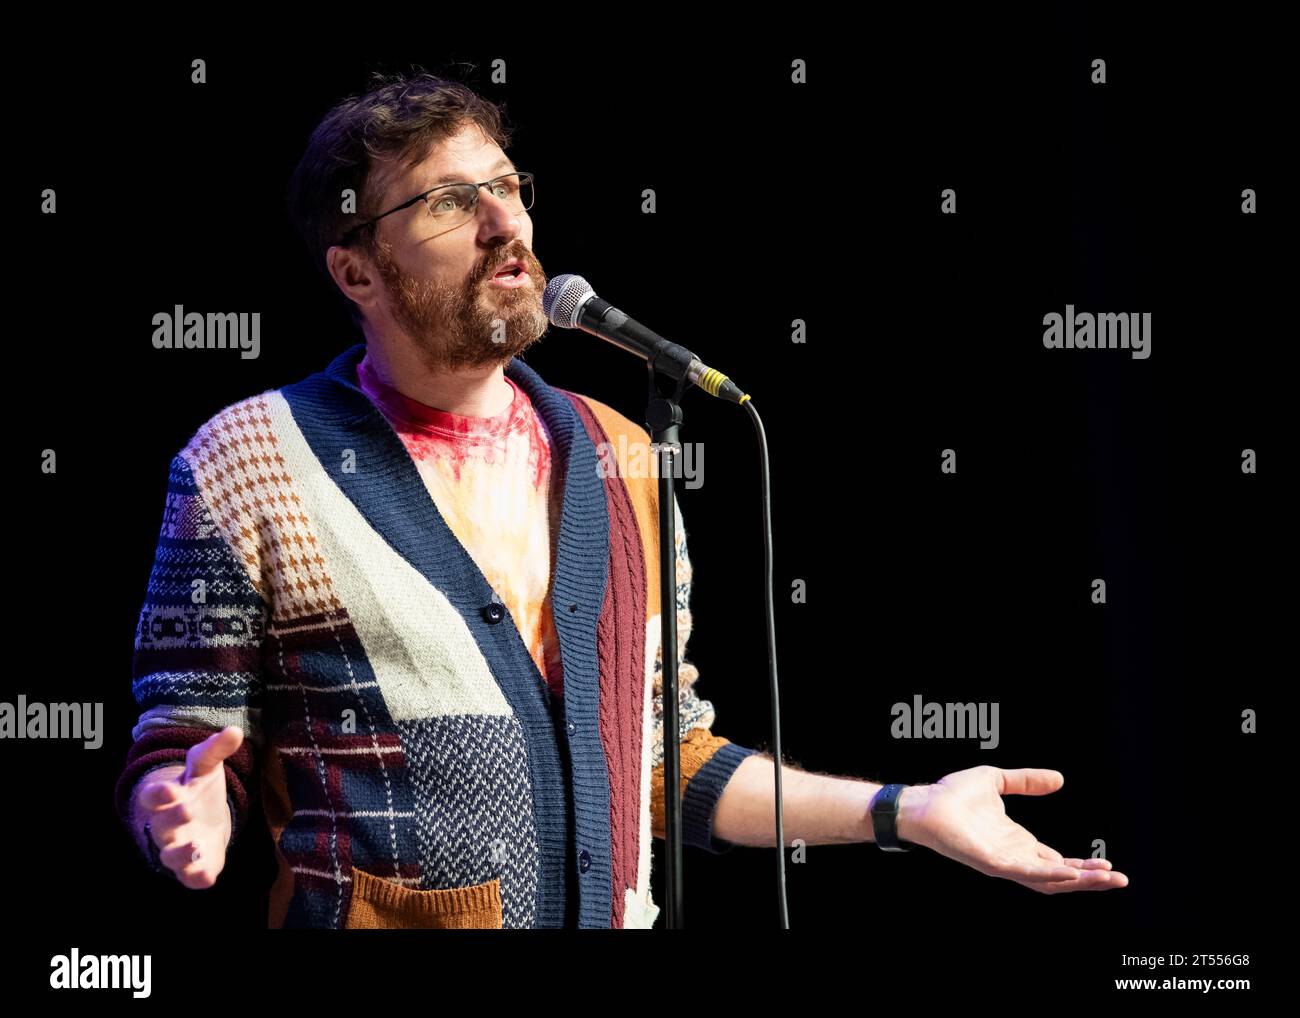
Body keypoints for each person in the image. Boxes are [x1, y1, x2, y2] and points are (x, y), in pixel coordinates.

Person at [115, 70, 1127, 930]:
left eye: (508, 188)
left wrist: (904, 809)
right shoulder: (250, 456)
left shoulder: (622, 455)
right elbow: (185, 735)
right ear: (356, 270)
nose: (506, 223)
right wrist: (179, 797)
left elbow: (662, 756)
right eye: (447, 201)